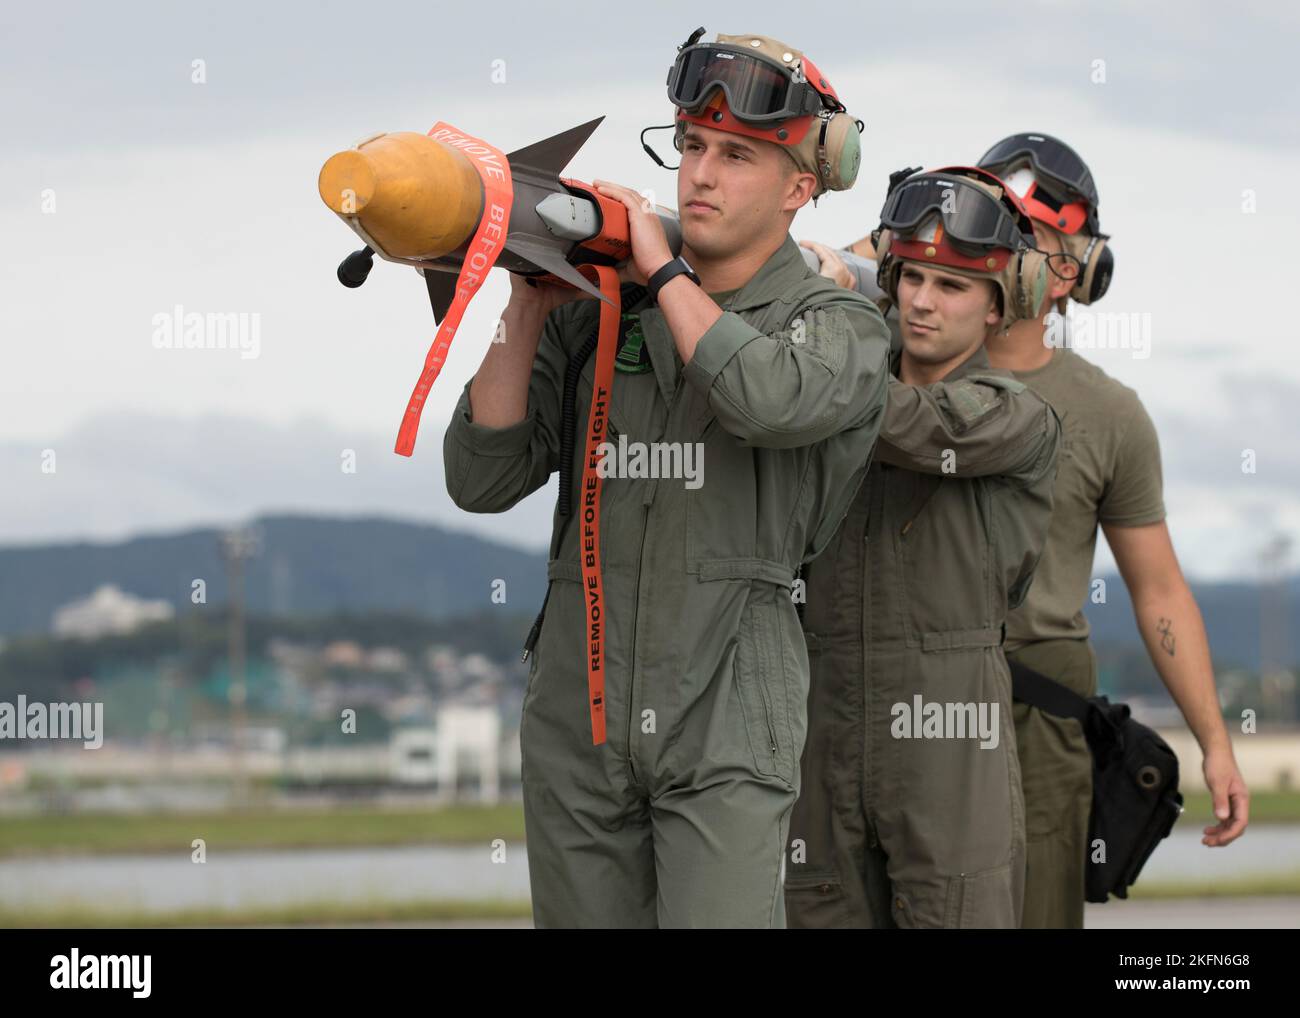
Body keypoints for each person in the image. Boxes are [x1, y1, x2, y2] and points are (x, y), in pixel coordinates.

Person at [442, 29, 891, 927]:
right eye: (690, 146)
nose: (701, 175)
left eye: (737, 155)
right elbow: (480, 478)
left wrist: (664, 268)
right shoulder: (606, 309)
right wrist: (528, 298)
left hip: (729, 697)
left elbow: (764, 401)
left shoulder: (836, 323)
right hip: (582, 702)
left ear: (802, 186)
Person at [975, 132, 1249, 927]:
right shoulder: (890, 366)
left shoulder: (1109, 414)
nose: (1001, 249)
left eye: (1027, 234)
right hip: (903, 700)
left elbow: (1159, 591)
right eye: (986, 225)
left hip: (1040, 716)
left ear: (1075, 271)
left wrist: (1217, 743)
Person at [787, 167, 1061, 927]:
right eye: (910, 277)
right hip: (821, 722)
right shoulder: (831, 391)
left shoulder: (1014, 416)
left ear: (1000, 307)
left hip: (950, 730)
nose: (920, 301)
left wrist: (832, 312)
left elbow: (908, 424)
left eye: (952, 286)